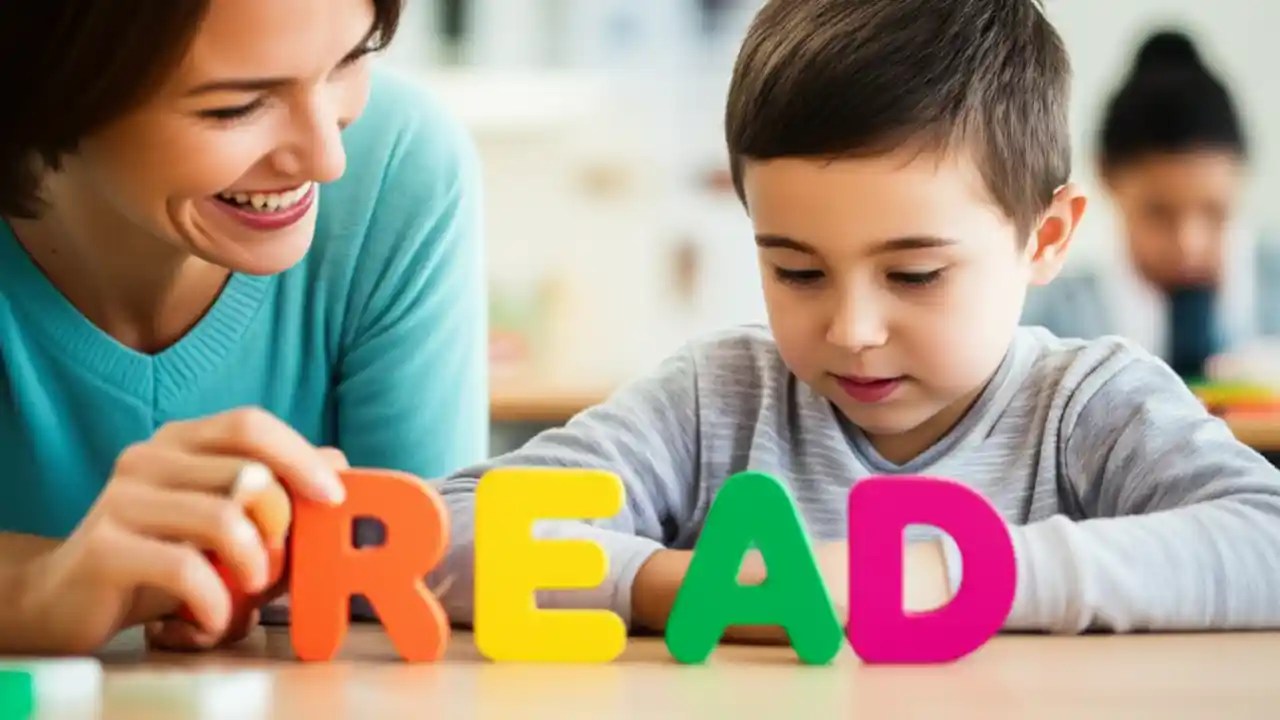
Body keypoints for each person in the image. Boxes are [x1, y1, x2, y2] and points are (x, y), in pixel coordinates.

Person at [432, 0, 1280, 639]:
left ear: (1045, 237)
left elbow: (1264, 544)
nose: (852, 330)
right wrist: (680, 587)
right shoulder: (715, 401)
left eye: (914, 274)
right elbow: (449, 529)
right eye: (795, 269)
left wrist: (946, 578)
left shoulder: (1086, 405)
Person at [0, 0, 488, 655]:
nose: (326, 158)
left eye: (350, 58)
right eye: (234, 108)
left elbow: (430, 586)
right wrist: (37, 591)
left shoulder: (398, 167)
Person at [1022, 30, 1280, 379]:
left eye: (1215, 210)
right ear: (1106, 176)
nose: (1189, 242)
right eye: (1159, 213)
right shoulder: (1046, 322)